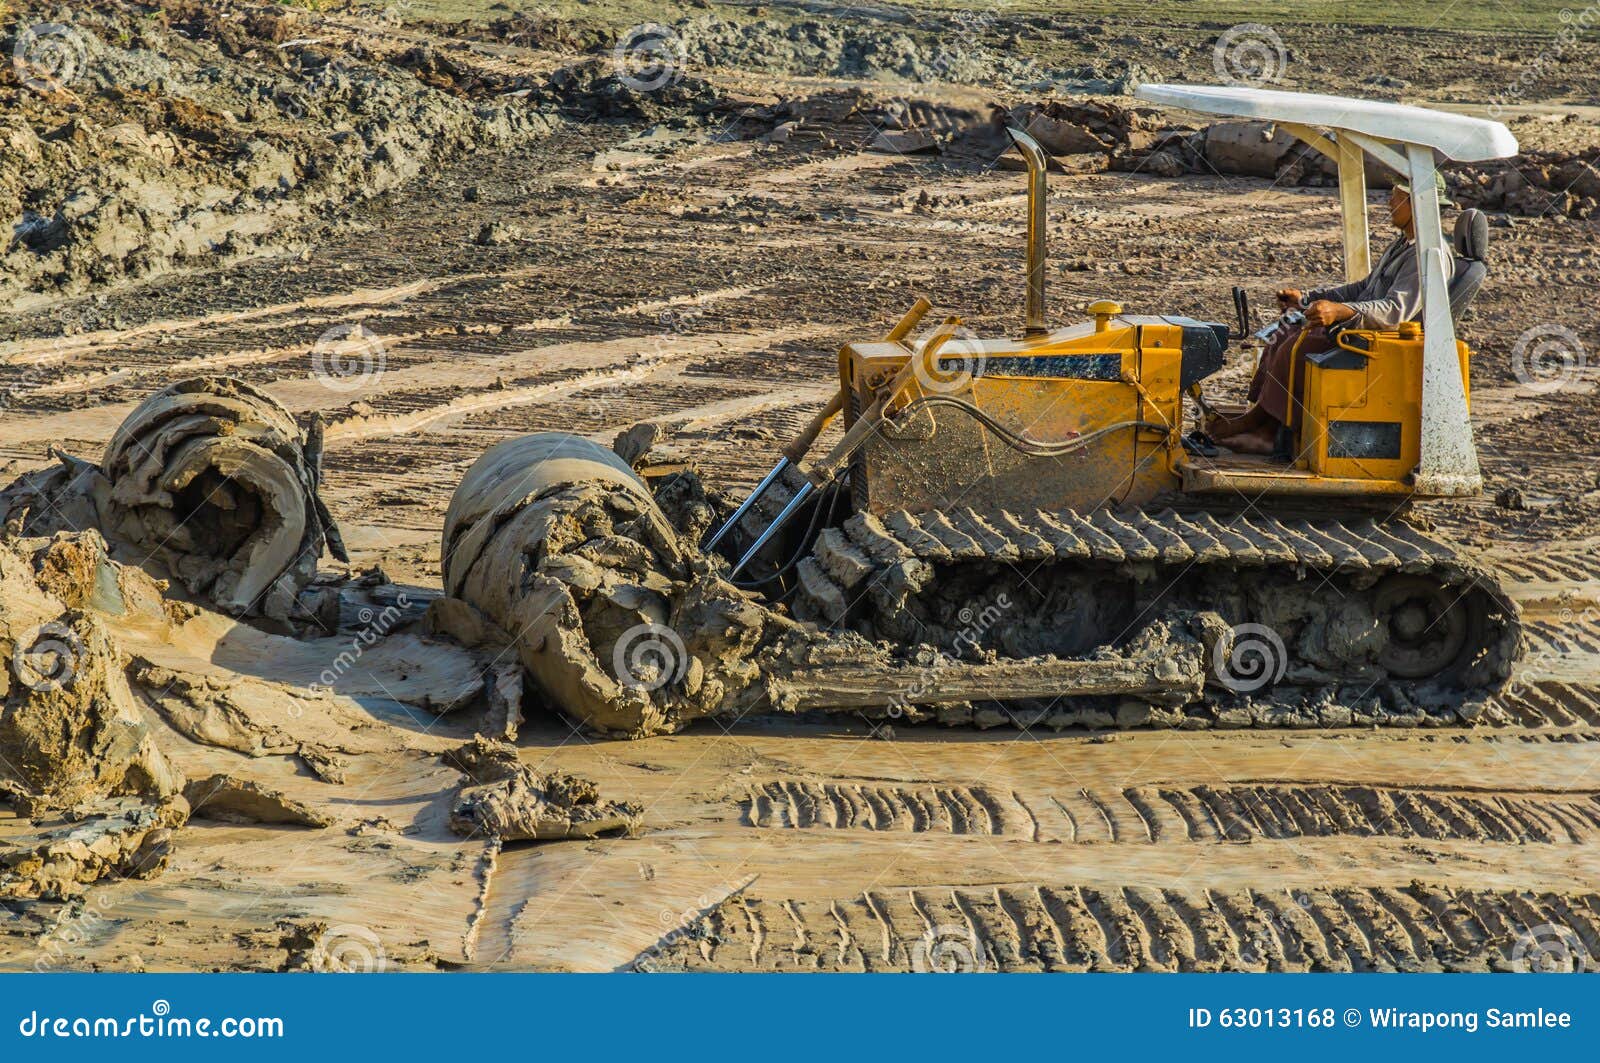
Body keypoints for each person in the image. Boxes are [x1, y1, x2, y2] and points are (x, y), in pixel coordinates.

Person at [1209, 175, 1454, 455]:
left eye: (1395, 198)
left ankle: (1266, 432)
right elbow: (1363, 288)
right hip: (1363, 329)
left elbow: (1395, 311)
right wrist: (1307, 299)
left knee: (1296, 346)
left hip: (1380, 342)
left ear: (1417, 204)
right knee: (1283, 334)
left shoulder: (1427, 255)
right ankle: (1260, 419)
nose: (1389, 203)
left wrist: (1341, 311)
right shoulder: (1404, 245)